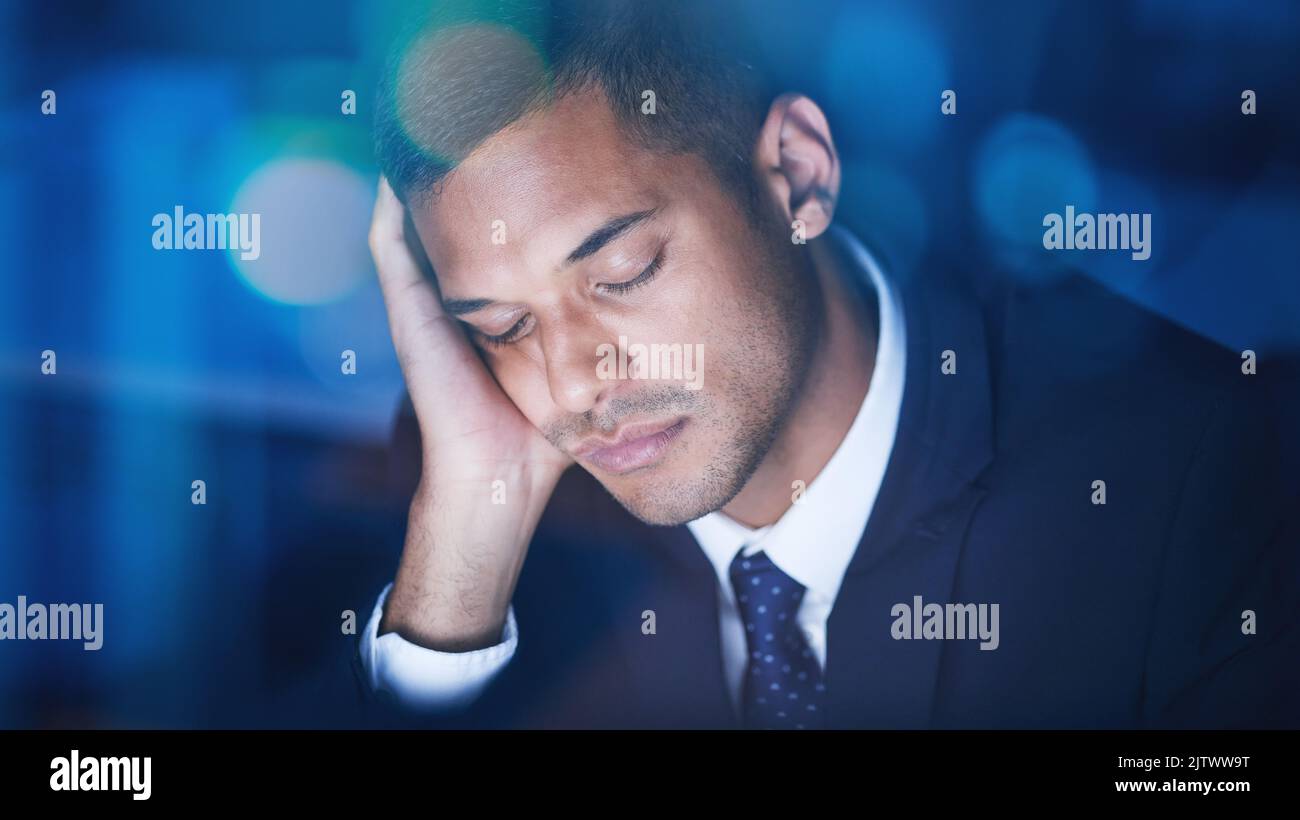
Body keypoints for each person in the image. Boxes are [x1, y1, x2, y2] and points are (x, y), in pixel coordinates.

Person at [351, 0, 1298, 729]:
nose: (571, 383)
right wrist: (472, 520)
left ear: (799, 173)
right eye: (505, 326)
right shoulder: (489, 509)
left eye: (623, 272)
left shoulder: (1196, 477)